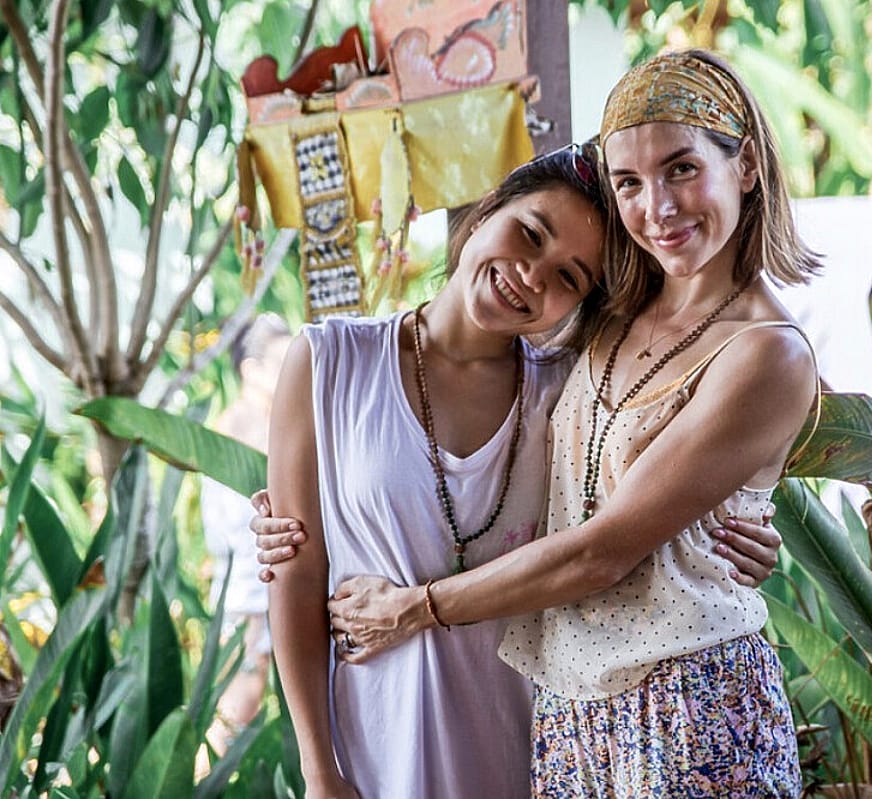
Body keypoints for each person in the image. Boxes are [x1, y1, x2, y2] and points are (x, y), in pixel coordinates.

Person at [280, 49, 821, 796]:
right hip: (568, 713)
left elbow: (606, 549)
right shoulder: (607, 323)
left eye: (682, 169)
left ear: (748, 164)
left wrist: (412, 609)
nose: (658, 207)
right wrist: (282, 517)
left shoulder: (768, 351)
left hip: (687, 704)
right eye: (630, 182)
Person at [199, 313, 290, 753]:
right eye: (283, 364)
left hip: (264, 583)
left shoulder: (274, 422)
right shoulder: (241, 429)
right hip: (249, 591)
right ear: (251, 370)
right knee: (240, 704)